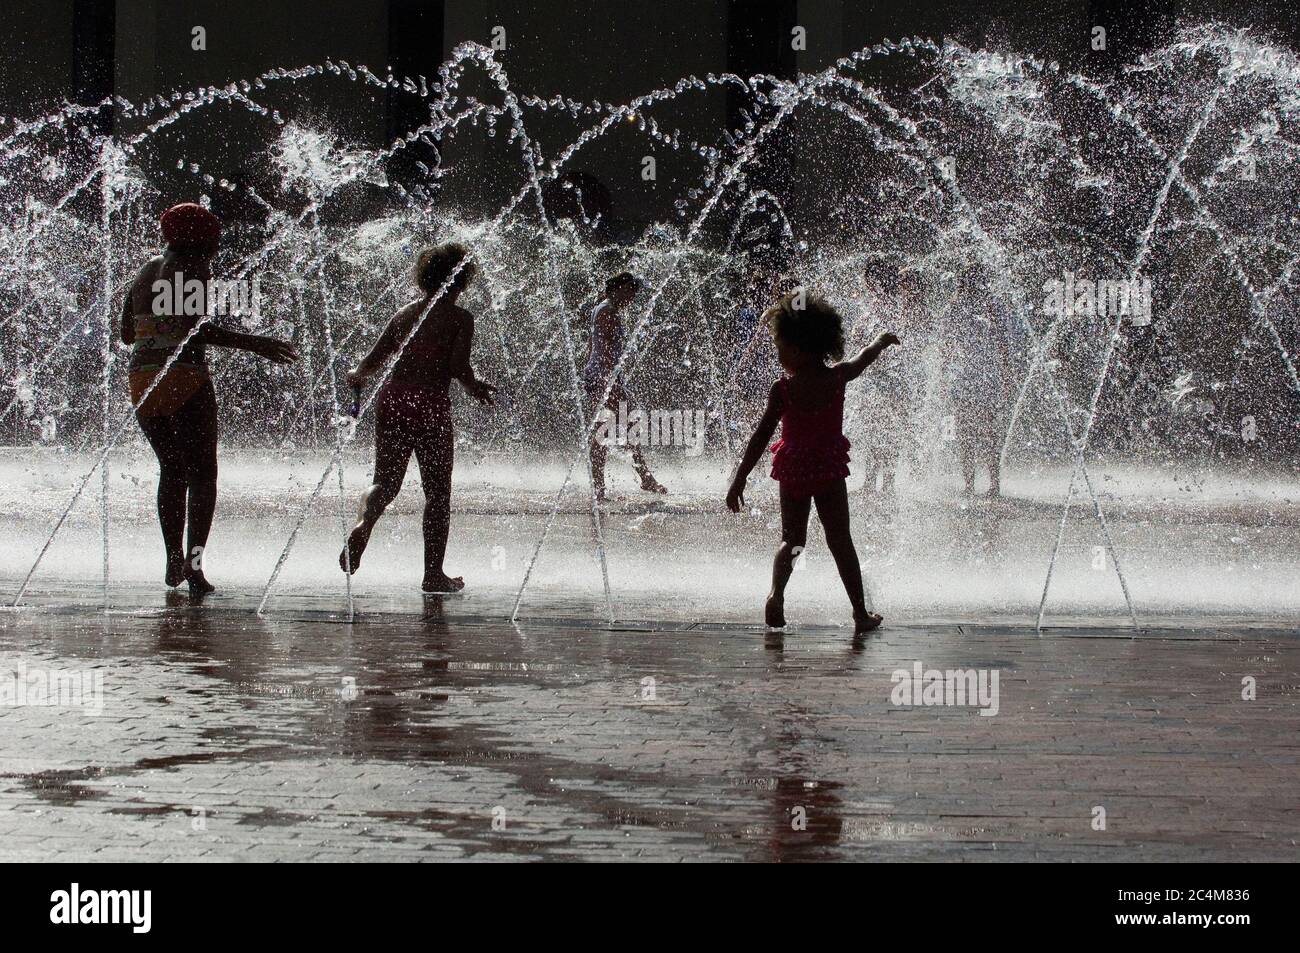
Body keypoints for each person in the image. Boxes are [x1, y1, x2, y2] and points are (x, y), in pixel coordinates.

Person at [120, 202, 298, 594]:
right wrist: (256, 343)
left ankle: (172, 560)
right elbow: (193, 328)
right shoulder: (194, 267)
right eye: (214, 235)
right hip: (184, 375)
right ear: (198, 237)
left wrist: (157, 326)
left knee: (171, 470)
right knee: (203, 477)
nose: (218, 242)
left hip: (142, 379)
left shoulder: (145, 271)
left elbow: (125, 335)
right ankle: (195, 567)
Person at [726, 293, 900, 635]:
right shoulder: (838, 377)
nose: (778, 355)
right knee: (840, 541)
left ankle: (776, 596)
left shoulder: (783, 390)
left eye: (781, 348)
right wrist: (880, 342)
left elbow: (760, 437)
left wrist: (739, 478)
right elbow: (863, 359)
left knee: (792, 539)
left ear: (798, 349)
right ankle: (860, 613)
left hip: (793, 469)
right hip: (827, 469)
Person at [340, 242, 496, 592]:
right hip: (430, 404)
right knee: (438, 493)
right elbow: (457, 367)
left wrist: (357, 375)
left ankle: (364, 524)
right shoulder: (459, 319)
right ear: (462, 280)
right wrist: (475, 387)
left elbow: (369, 363)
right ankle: (433, 574)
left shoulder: (404, 314)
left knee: (386, 481)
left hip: (393, 399)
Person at [582, 272, 666, 501]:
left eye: (635, 290)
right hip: (604, 379)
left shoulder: (603, 309)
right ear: (616, 288)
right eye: (629, 289)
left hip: (601, 377)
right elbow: (607, 351)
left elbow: (592, 346)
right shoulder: (608, 312)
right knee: (615, 428)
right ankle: (639, 479)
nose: (633, 295)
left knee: (610, 429)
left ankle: (603, 486)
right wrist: (610, 382)